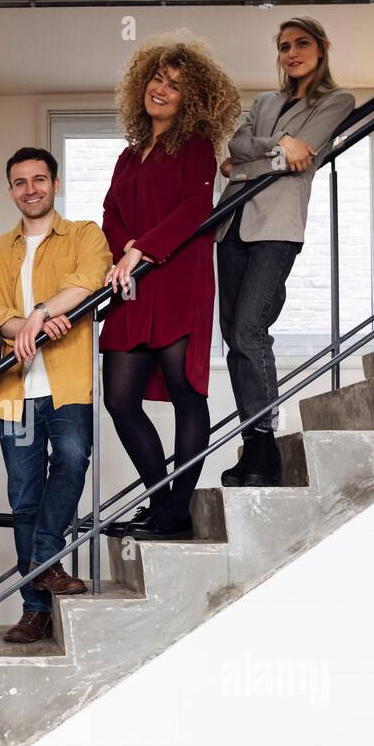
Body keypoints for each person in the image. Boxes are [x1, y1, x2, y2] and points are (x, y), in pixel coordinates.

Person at [100, 35, 241, 539]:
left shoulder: (197, 147)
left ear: (193, 98)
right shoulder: (129, 154)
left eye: (176, 85)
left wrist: (141, 249)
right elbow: (110, 212)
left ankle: (175, 513)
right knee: (119, 398)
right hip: (133, 285)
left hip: (178, 277)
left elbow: (194, 211)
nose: (162, 89)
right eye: (157, 78)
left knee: (185, 393)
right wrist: (126, 247)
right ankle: (163, 504)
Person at [0, 147, 112, 644]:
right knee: (23, 495)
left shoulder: (84, 235)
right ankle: (36, 608)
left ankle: (42, 559)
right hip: (15, 389)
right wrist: (35, 321)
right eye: (19, 182)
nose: (30, 188)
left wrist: (38, 313)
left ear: (55, 184)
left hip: (67, 380)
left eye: (39, 179)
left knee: (73, 458)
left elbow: (89, 279)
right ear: (10, 190)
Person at [217, 16, 355, 487]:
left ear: (321, 48)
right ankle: (251, 445)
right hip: (231, 224)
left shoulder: (336, 100)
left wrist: (246, 165)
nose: (291, 53)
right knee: (233, 337)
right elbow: (237, 145)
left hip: (276, 228)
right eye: (283, 47)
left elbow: (301, 159)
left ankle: (265, 448)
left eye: (301, 44)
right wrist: (277, 142)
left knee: (250, 328)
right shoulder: (263, 102)